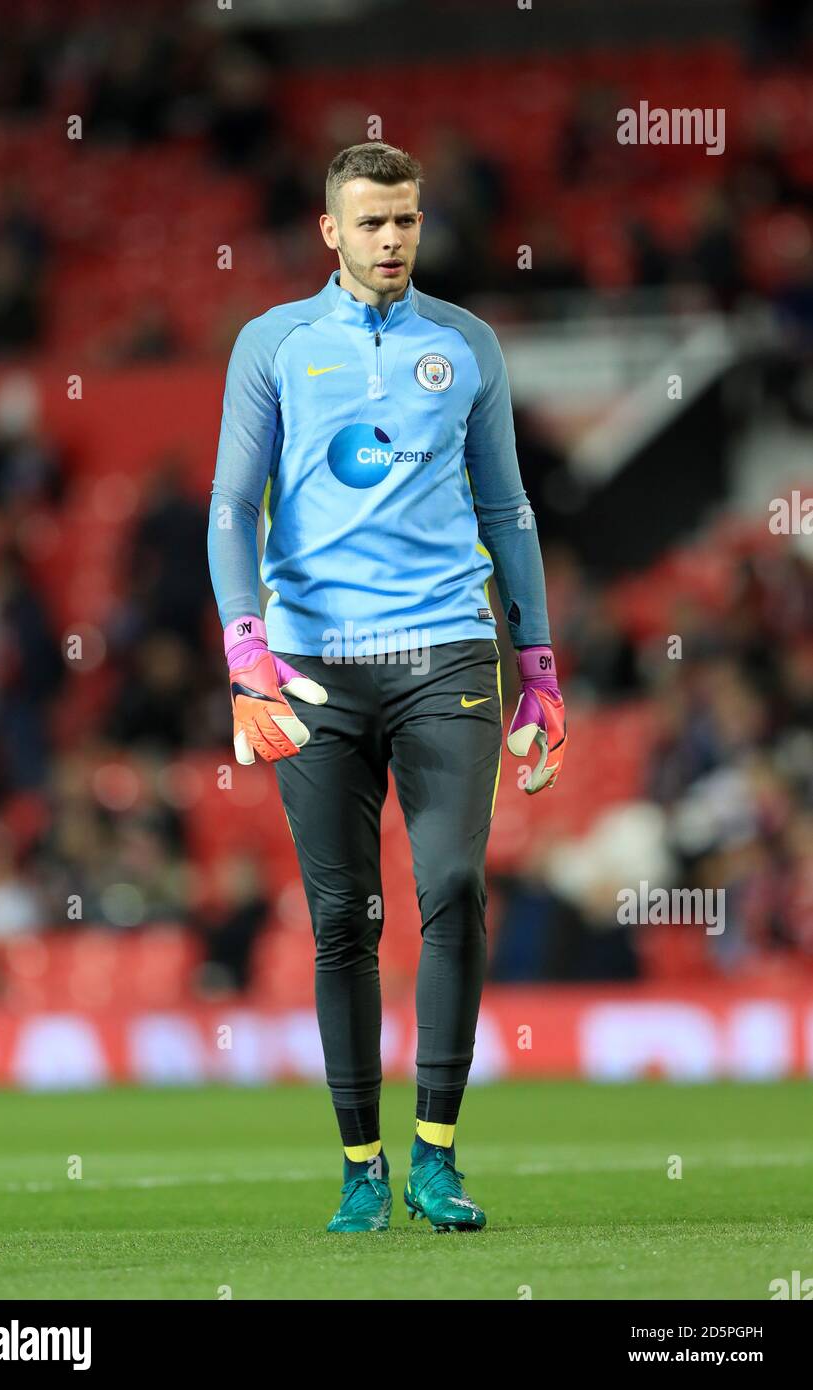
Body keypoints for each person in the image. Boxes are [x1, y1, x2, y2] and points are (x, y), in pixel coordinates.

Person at [207, 141, 567, 1234]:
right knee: (340, 918)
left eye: (405, 220)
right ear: (330, 231)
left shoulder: (467, 344)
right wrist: (244, 654)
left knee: (453, 884)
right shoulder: (273, 344)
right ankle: (361, 1166)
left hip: (448, 654)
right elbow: (232, 508)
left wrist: (539, 666)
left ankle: (436, 1158)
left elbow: (507, 510)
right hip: (314, 673)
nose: (392, 240)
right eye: (370, 223)